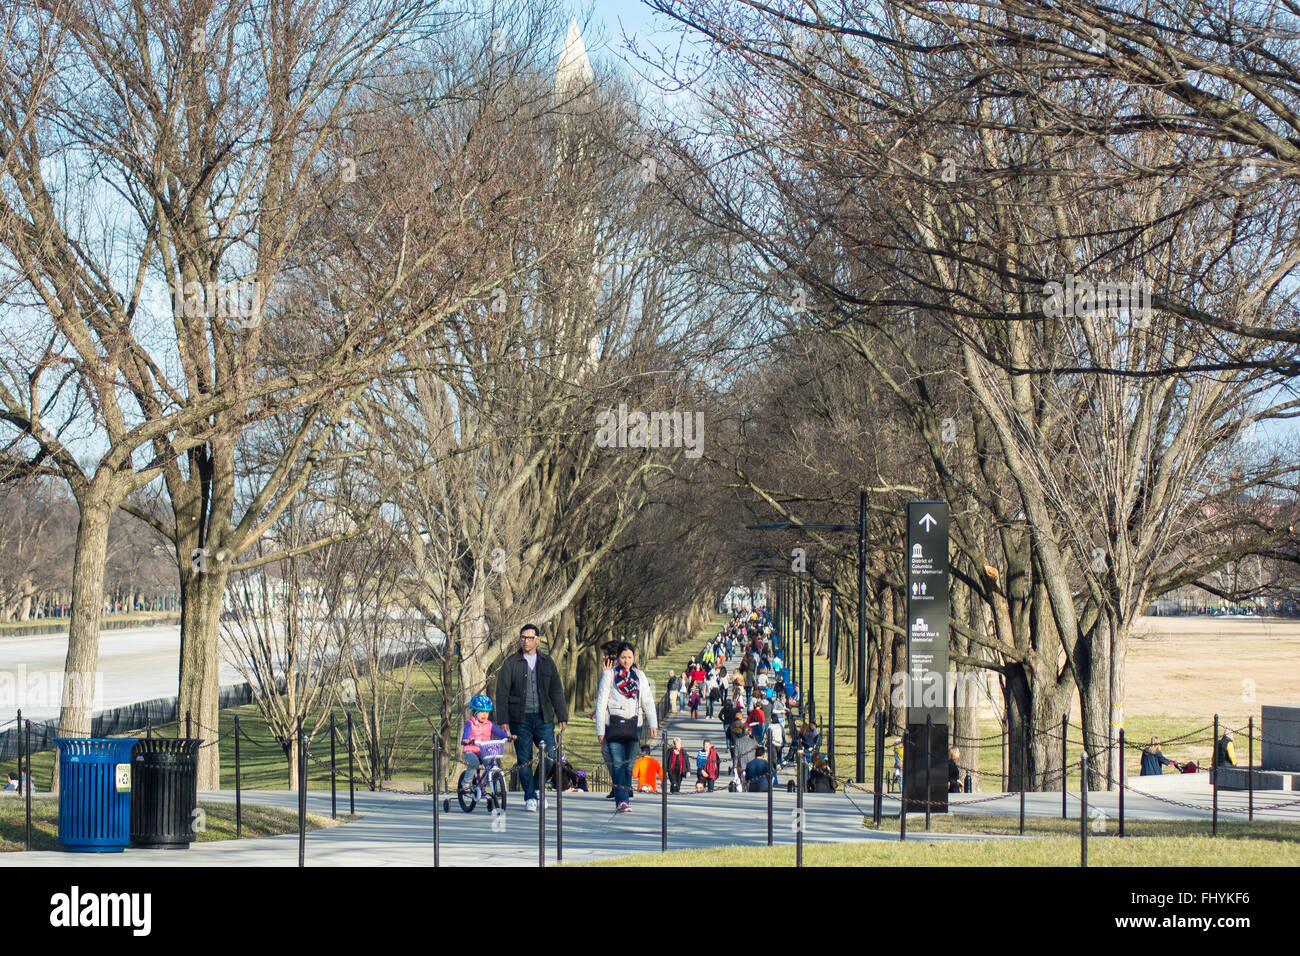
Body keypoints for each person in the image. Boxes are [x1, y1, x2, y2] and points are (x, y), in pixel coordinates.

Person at [496, 623, 569, 813]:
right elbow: (501, 692)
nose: (526, 641)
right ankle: (529, 797)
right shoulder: (511, 663)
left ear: (538, 640)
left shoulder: (547, 662)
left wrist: (562, 715)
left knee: (550, 756)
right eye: (523, 637)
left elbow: (556, 690)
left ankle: (537, 788)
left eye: (529, 638)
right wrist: (503, 720)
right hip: (520, 719)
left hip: (544, 717)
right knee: (524, 759)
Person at [595, 641, 658, 812]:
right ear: (618, 658)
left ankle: (624, 790)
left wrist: (653, 723)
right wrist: (600, 730)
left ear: (634, 658)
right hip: (614, 724)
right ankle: (621, 801)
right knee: (617, 763)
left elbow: (647, 700)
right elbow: (601, 704)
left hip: (634, 725)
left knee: (629, 764)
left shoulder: (639, 676)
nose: (626, 660)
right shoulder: (609, 675)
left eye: (629, 657)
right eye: (623, 657)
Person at [460, 694, 512, 772]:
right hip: (470, 750)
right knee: (474, 763)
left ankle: (493, 782)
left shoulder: (489, 724)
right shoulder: (470, 723)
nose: (485, 714)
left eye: (487, 712)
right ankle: (466, 783)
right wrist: (465, 740)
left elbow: (499, 732)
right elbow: (466, 734)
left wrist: (507, 737)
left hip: (484, 751)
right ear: (474, 712)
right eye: (481, 712)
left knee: (492, 764)